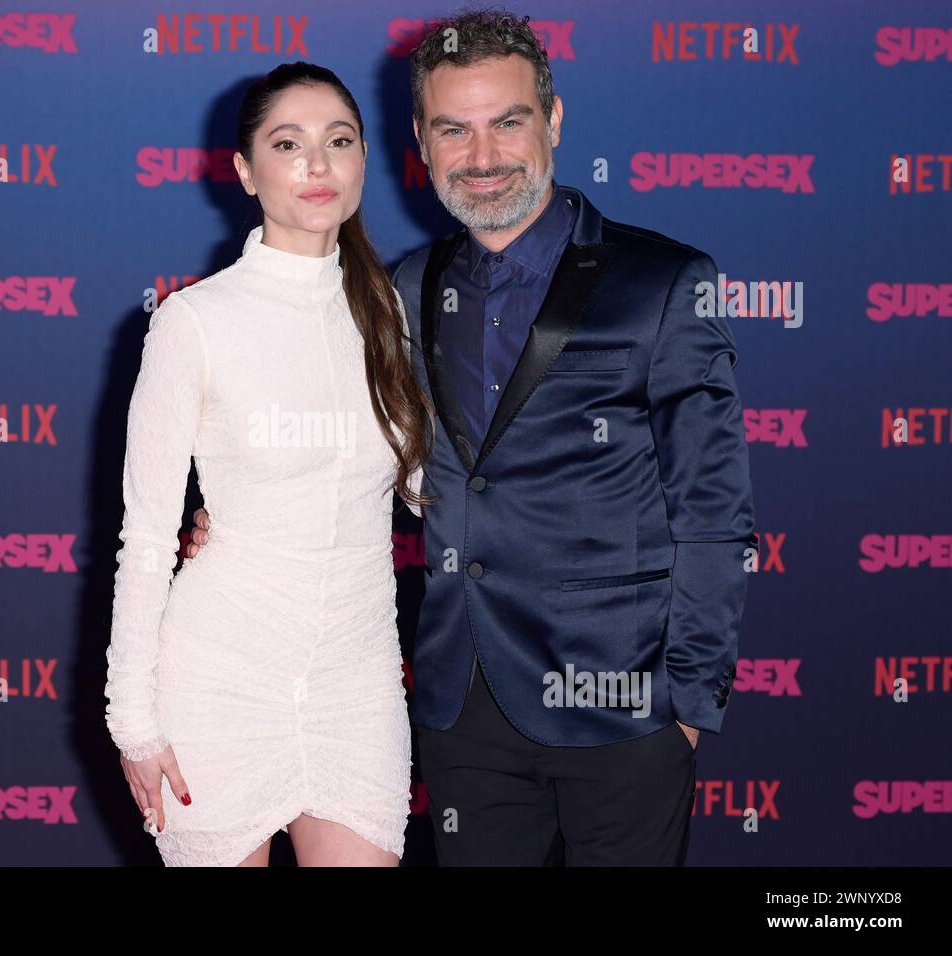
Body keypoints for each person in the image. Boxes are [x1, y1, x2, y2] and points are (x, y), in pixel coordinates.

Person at [187, 10, 757, 866]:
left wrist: (688, 707)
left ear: (554, 122)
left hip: (625, 710)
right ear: (420, 140)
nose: (483, 156)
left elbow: (714, 510)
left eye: (508, 122)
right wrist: (233, 527)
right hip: (462, 707)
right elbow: (335, 443)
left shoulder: (664, 283)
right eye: (454, 128)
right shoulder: (397, 293)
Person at [103, 62, 434, 867]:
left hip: (357, 690)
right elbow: (146, 538)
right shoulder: (195, 322)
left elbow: (433, 489)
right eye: (289, 144)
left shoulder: (392, 312)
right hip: (218, 684)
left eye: (339, 141)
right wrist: (133, 723)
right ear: (247, 172)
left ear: (365, 160)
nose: (317, 165)